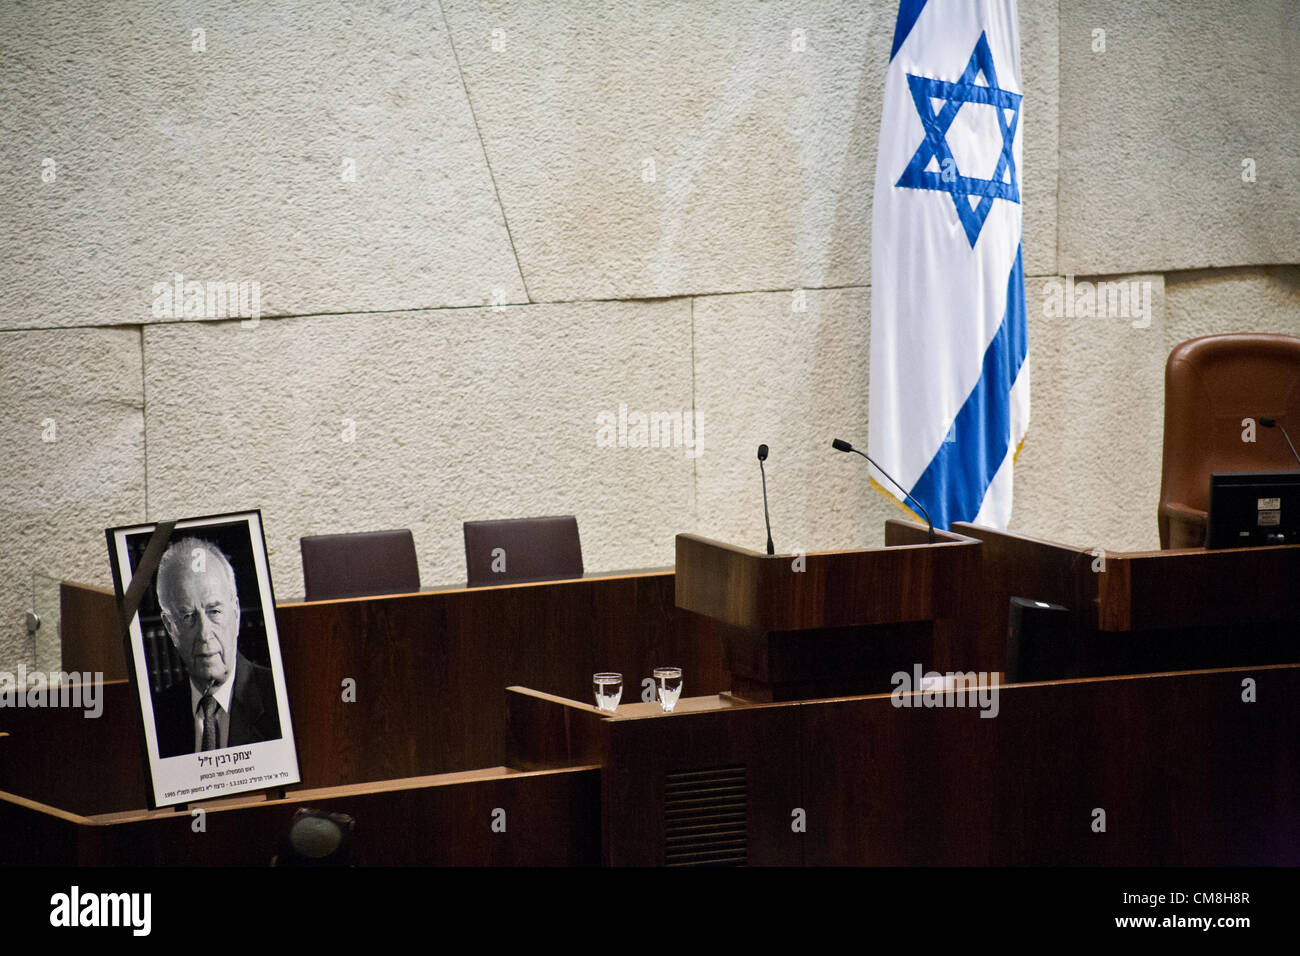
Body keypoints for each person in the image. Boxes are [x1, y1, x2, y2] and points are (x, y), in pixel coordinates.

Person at [151, 537, 281, 758]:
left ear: (236, 614)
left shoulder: (279, 698)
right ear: (170, 627)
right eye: (188, 616)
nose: (204, 634)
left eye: (215, 612)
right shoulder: (157, 715)